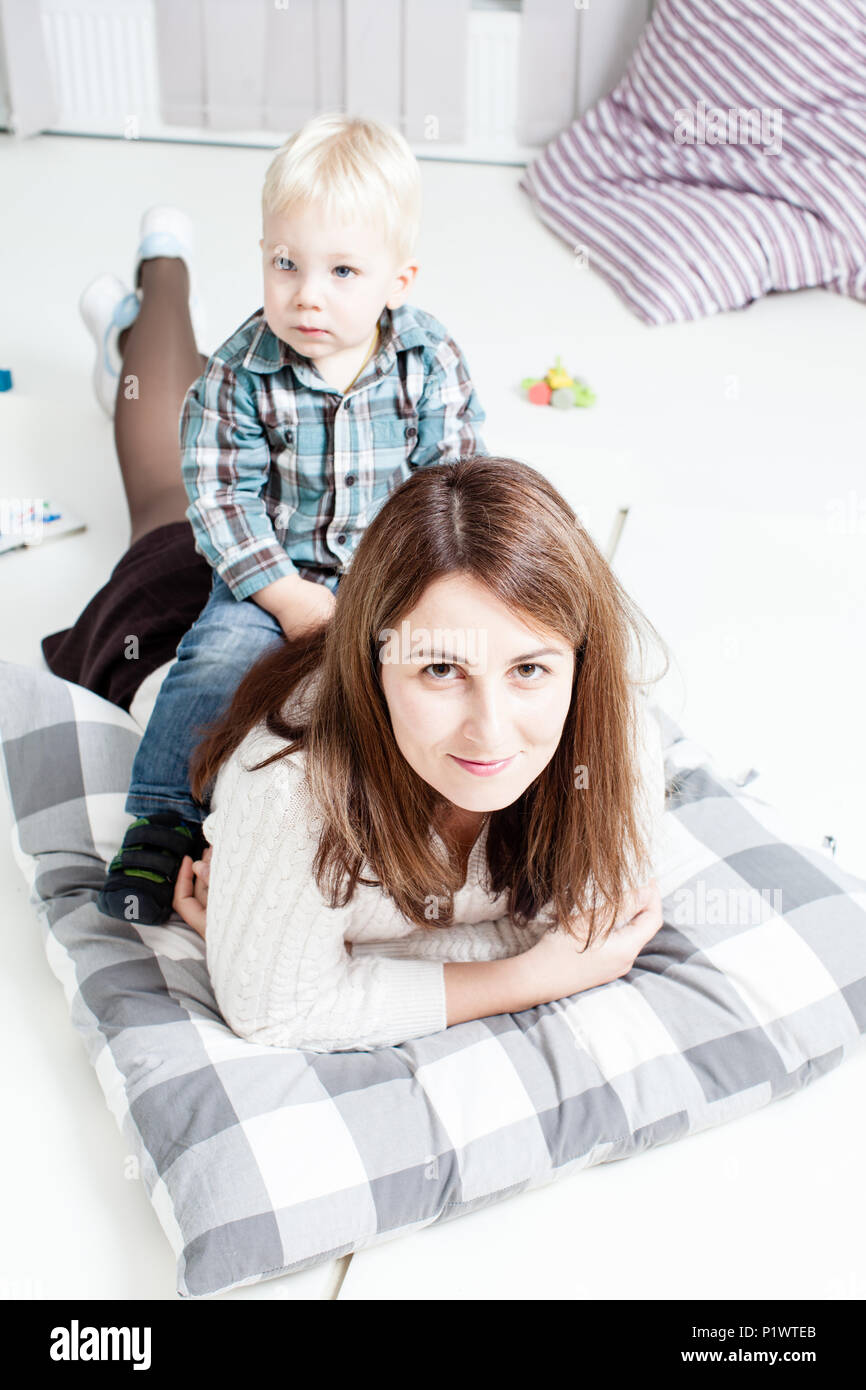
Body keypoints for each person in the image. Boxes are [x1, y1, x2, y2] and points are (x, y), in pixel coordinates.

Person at [91, 112, 488, 925]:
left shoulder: (427, 360)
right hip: (272, 572)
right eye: (286, 264)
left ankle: (421, 824)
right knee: (214, 661)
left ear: (397, 283)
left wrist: (422, 596)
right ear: (264, 257)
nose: (307, 294)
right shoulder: (240, 368)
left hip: (389, 577)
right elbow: (219, 494)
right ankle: (162, 818)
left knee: (430, 673)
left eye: (344, 271)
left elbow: (449, 488)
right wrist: (285, 596)